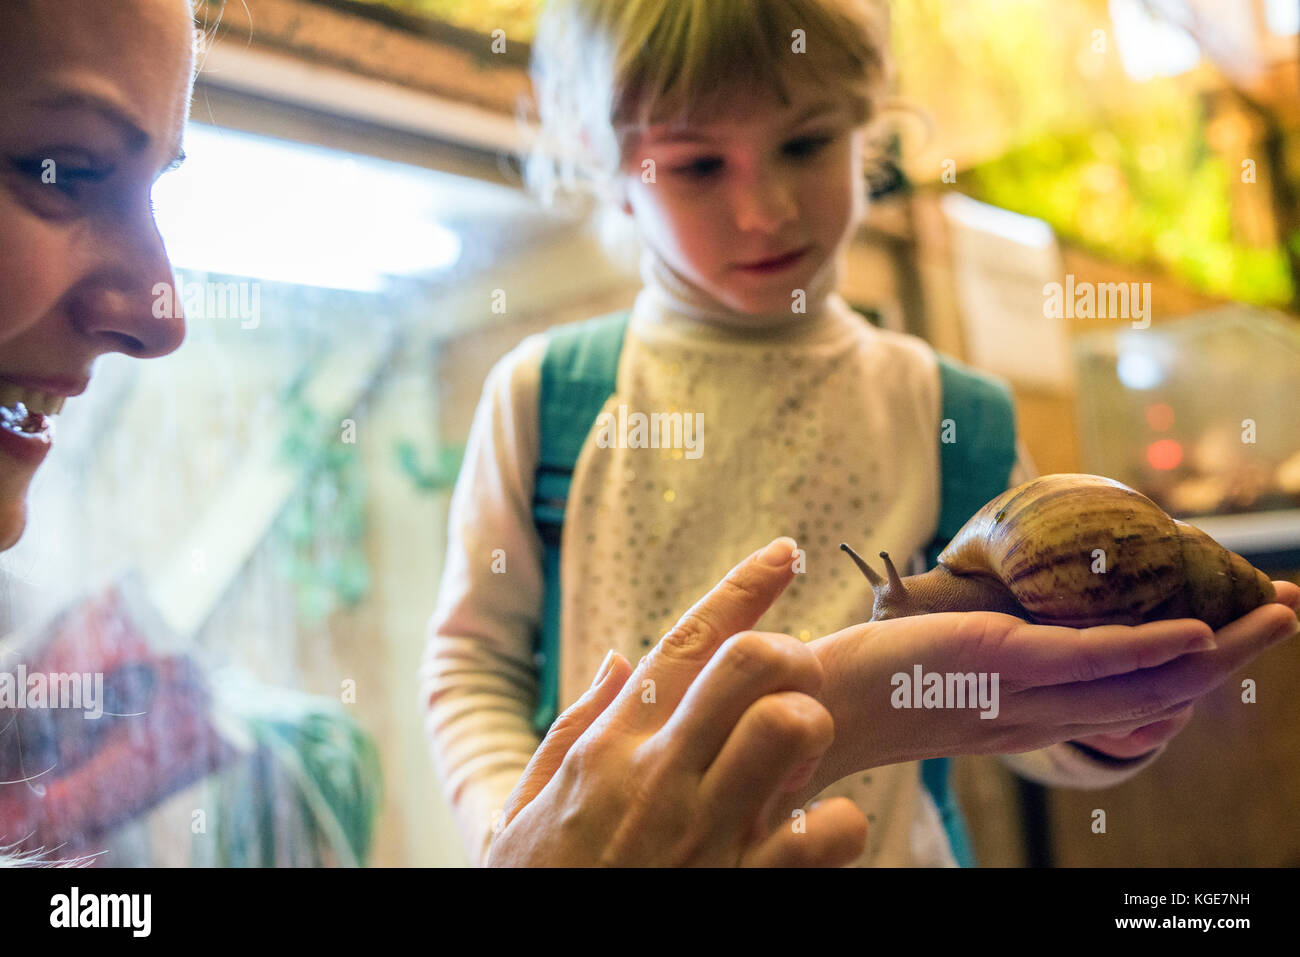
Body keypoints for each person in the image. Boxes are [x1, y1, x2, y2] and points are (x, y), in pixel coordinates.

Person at [423, 0, 1300, 867]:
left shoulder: (950, 412)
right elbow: (472, 662)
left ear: (866, 130)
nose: (763, 209)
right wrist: (529, 831)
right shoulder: (547, 399)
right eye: (695, 165)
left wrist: (1112, 717)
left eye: (804, 145)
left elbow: (1006, 694)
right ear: (609, 169)